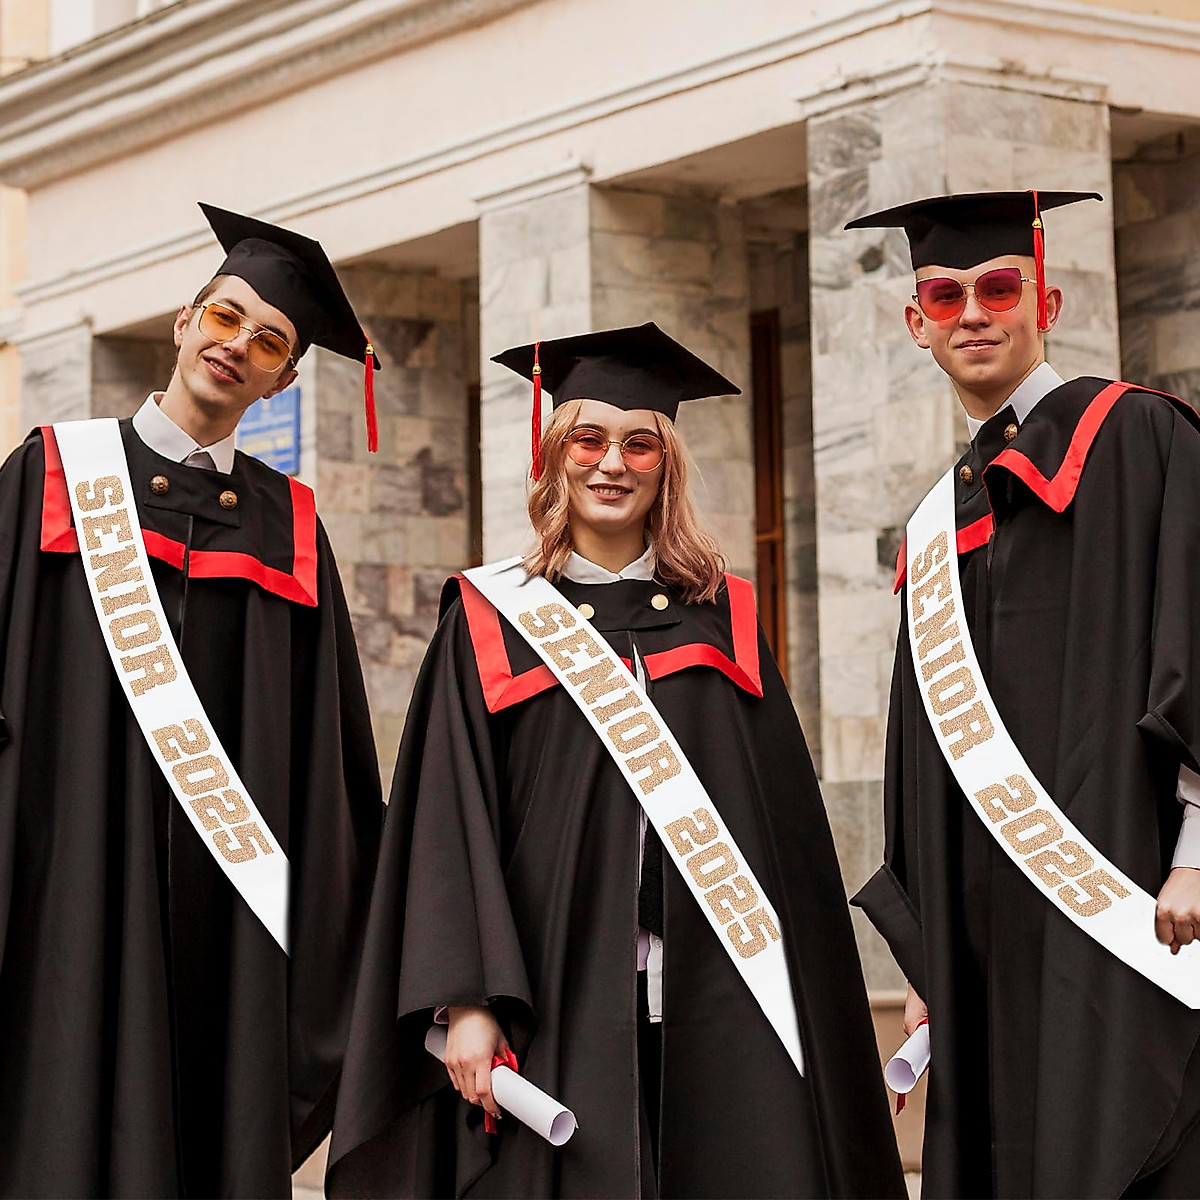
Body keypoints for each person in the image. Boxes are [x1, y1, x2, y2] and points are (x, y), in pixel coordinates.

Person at [325, 322, 905, 1199]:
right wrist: (469, 1000)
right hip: (553, 984)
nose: (612, 464)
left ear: (665, 465)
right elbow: (449, 819)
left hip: (722, 987)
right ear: (555, 455)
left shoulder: (727, 621)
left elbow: (782, 831)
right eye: (589, 439)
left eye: (640, 444)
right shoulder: (489, 619)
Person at [0, 203, 383, 1197]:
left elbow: (327, 762)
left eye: (267, 340)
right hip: (64, 890)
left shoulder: (288, 529)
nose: (236, 347)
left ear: (284, 379)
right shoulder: (52, 474)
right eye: (225, 318)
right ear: (184, 321)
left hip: (225, 925)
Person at [846, 190, 1200, 1198]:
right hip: (990, 943)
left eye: (998, 287)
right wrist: (930, 957)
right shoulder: (937, 518)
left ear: (1044, 296)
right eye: (945, 295)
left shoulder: (1138, 440)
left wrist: (1198, 854)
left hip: (1138, 902)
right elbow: (921, 747)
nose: (974, 313)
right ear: (917, 325)